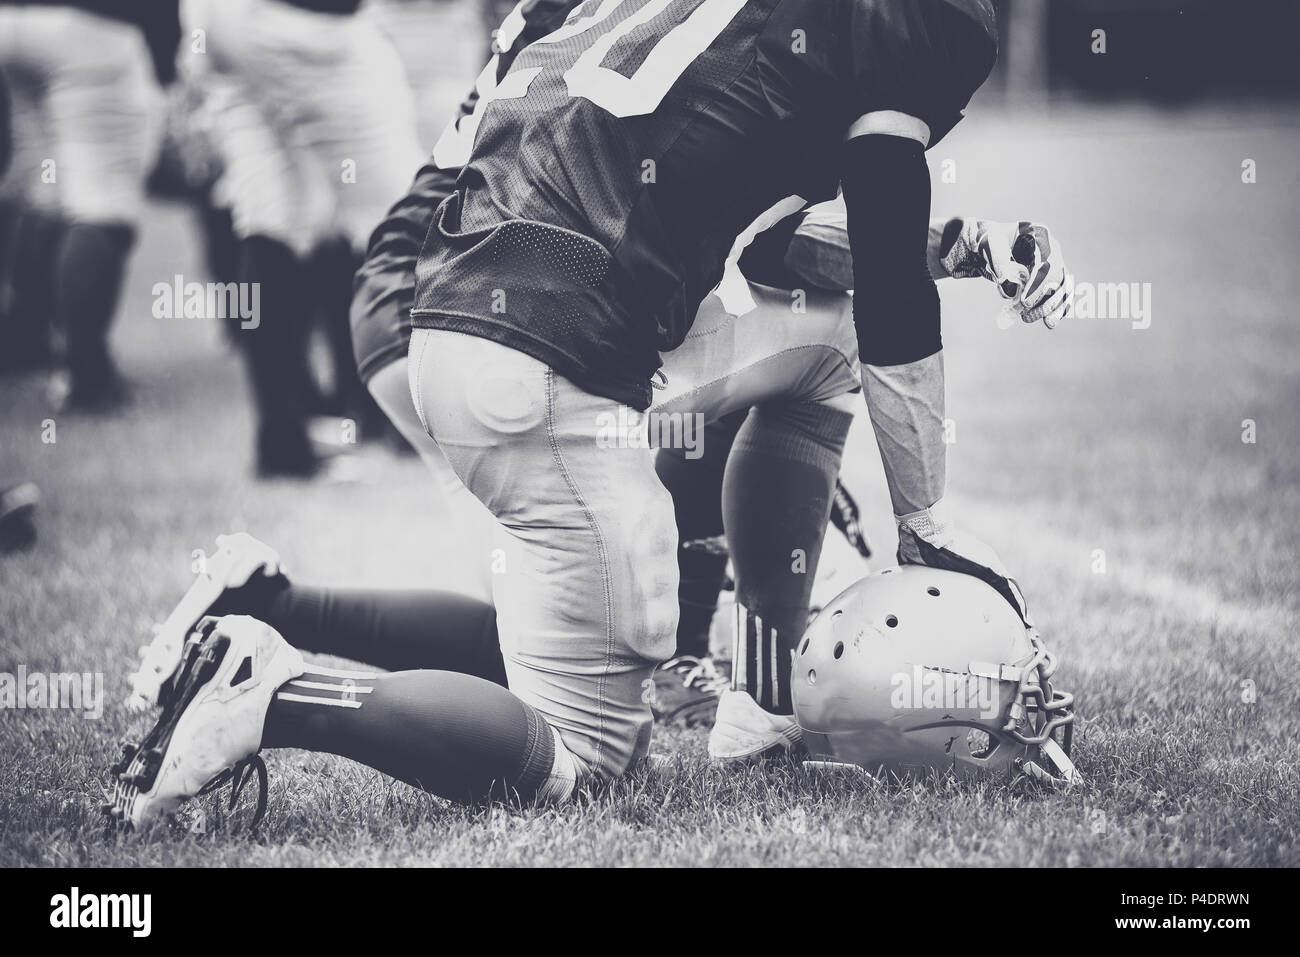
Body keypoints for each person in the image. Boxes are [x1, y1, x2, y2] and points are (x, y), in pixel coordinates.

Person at [110, 0, 1074, 827]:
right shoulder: (894, 26)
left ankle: (756, 692)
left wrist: (954, 243)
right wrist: (926, 521)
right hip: (523, 335)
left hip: (473, 297)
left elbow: (772, 245)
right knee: (580, 749)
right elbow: (880, 257)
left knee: (812, 359)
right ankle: (275, 689)